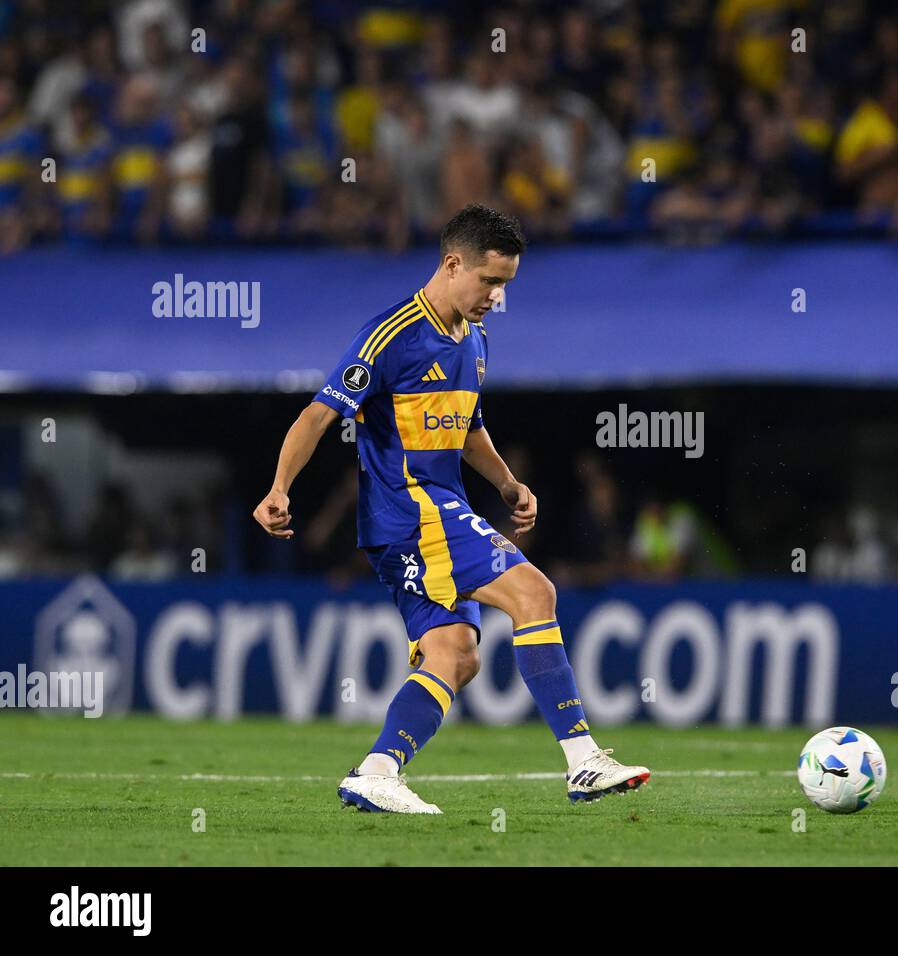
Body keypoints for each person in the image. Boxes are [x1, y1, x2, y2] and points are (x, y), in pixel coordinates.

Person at [251, 203, 650, 813]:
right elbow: (317, 415)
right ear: (452, 263)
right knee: (534, 593)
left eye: (506, 285)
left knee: (457, 655)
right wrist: (280, 488)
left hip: (434, 513)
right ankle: (583, 759)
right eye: (489, 281)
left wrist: (509, 484)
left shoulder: (475, 341)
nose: (496, 296)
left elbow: (467, 430)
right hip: (411, 512)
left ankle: (378, 771)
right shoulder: (391, 337)